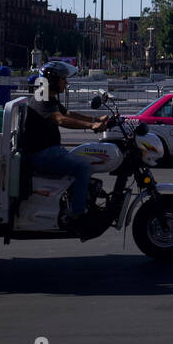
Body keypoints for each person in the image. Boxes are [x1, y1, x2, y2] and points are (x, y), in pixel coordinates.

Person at [20, 62, 109, 229]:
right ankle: (77, 214)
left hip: (47, 150)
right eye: (63, 79)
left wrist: (95, 120)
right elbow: (60, 119)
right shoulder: (42, 97)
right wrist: (91, 126)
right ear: (53, 80)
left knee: (83, 159)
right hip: (40, 153)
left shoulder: (47, 95)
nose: (66, 83)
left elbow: (67, 113)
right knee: (83, 167)